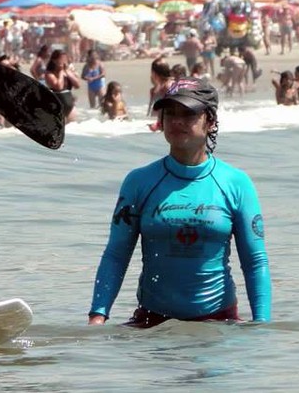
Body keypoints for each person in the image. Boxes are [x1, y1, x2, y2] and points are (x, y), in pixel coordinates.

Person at [89, 77, 271, 328]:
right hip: (151, 324)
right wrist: (97, 316)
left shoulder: (236, 183)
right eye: (170, 113)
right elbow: (116, 254)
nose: (176, 121)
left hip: (217, 323)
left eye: (187, 113)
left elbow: (254, 262)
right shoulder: (139, 182)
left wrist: (262, 324)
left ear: (210, 121)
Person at [44, 49, 80, 122]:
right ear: (54, 61)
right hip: (56, 106)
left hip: (70, 105)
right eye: (61, 59)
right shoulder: (49, 73)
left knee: (72, 129)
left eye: (65, 59)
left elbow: (77, 85)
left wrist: (67, 72)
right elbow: (59, 87)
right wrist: (60, 72)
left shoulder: (68, 71)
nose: (64, 62)